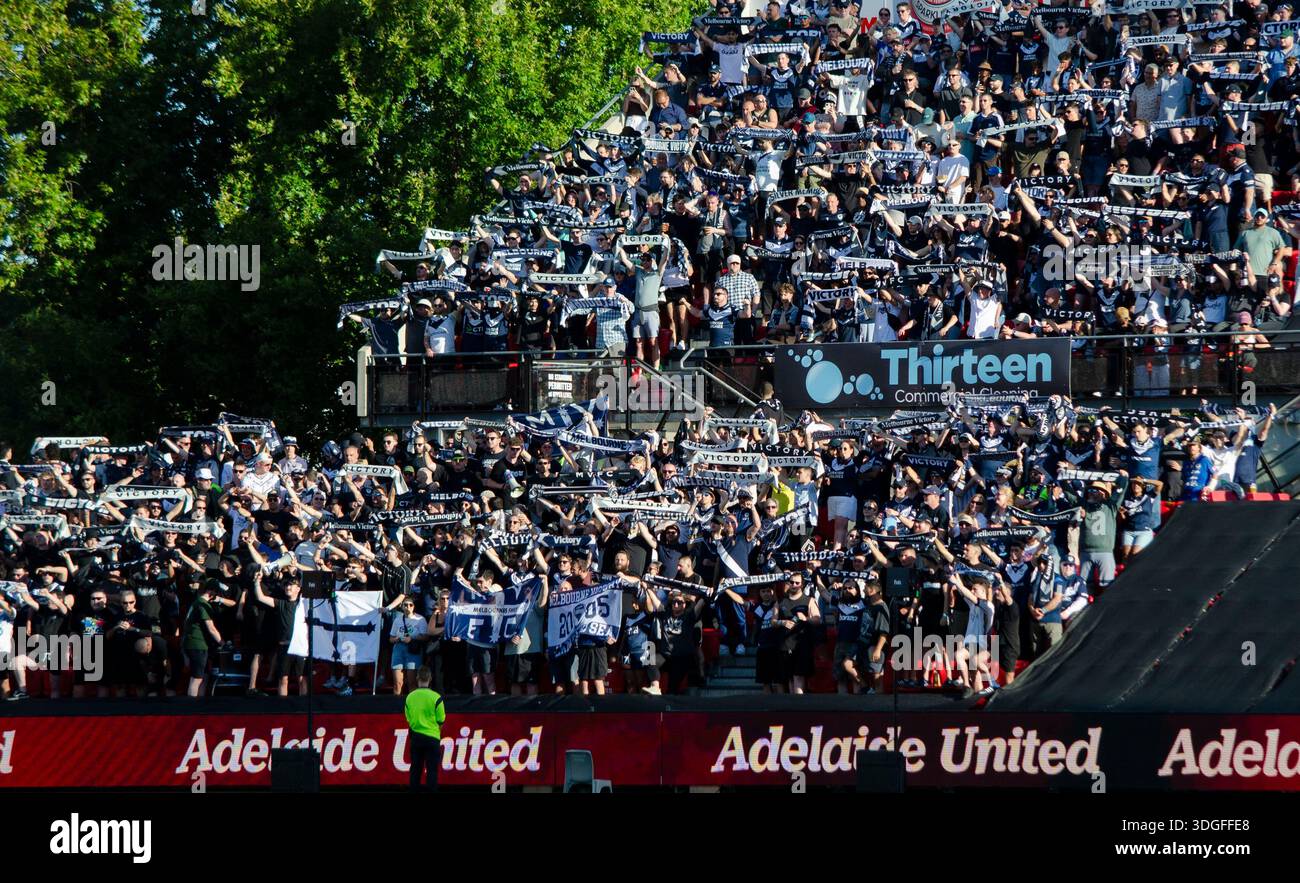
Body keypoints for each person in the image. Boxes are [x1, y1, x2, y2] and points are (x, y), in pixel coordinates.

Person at [404, 666, 447, 792]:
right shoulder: (436, 697)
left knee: (415, 771)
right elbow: (441, 720)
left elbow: (408, 718)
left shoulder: (410, 697)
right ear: (430, 679)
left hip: (416, 738)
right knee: (432, 772)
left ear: (417, 678)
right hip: (433, 737)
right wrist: (435, 731)